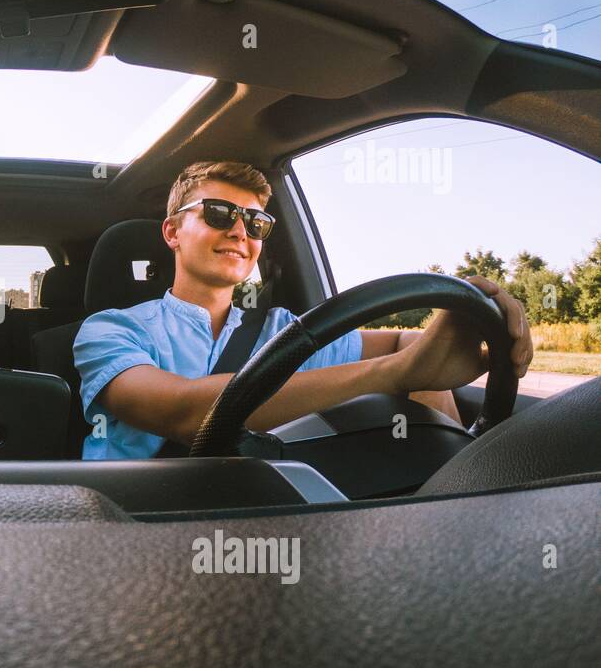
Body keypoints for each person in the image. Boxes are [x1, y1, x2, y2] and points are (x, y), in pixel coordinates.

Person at [73, 160, 532, 460]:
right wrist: (400, 371)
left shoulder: (286, 331)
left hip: (272, 515)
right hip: (140, 522)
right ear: (173, 232)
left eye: (255, 223)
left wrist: (461, 330)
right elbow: (182, 416)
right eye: (217, 213)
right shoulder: (111, 330)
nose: (240, 232)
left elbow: (401, 343)